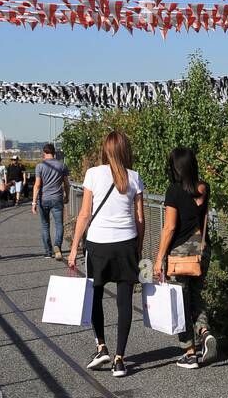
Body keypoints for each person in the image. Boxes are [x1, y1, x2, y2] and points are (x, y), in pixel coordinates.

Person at [67, 131, 143, 378]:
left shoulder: (93, 174)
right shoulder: (134, 177)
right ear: (125, 151)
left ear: (106, 150)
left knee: (95, 297)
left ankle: (101, 347)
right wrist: (139, 248)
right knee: (124, 303)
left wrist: (74, 246)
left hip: (98, 245)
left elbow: (85, 214)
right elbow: (140, 219)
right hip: (126, 244)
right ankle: (120, 359)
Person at [153, 147, 216, 369]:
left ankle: (190, 352)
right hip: (201, 251)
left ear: (175, 168)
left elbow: (169, 227)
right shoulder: (203, 188)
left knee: (179, 304)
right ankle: (204, 332)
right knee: (196, 297)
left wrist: (159, 258)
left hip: (180, 254)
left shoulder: (173, 191)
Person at [32, 142, 70, 260]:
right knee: (59, 225)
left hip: (43, 199)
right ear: (54, 153)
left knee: (45, 225)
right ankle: (57, 245)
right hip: (57, 199)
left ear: (44, 153)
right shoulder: (62, 165)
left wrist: (33, 202)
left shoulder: (40, 166)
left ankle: (48, 252)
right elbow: (66, 184)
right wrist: (67, 196)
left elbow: (37, 185)